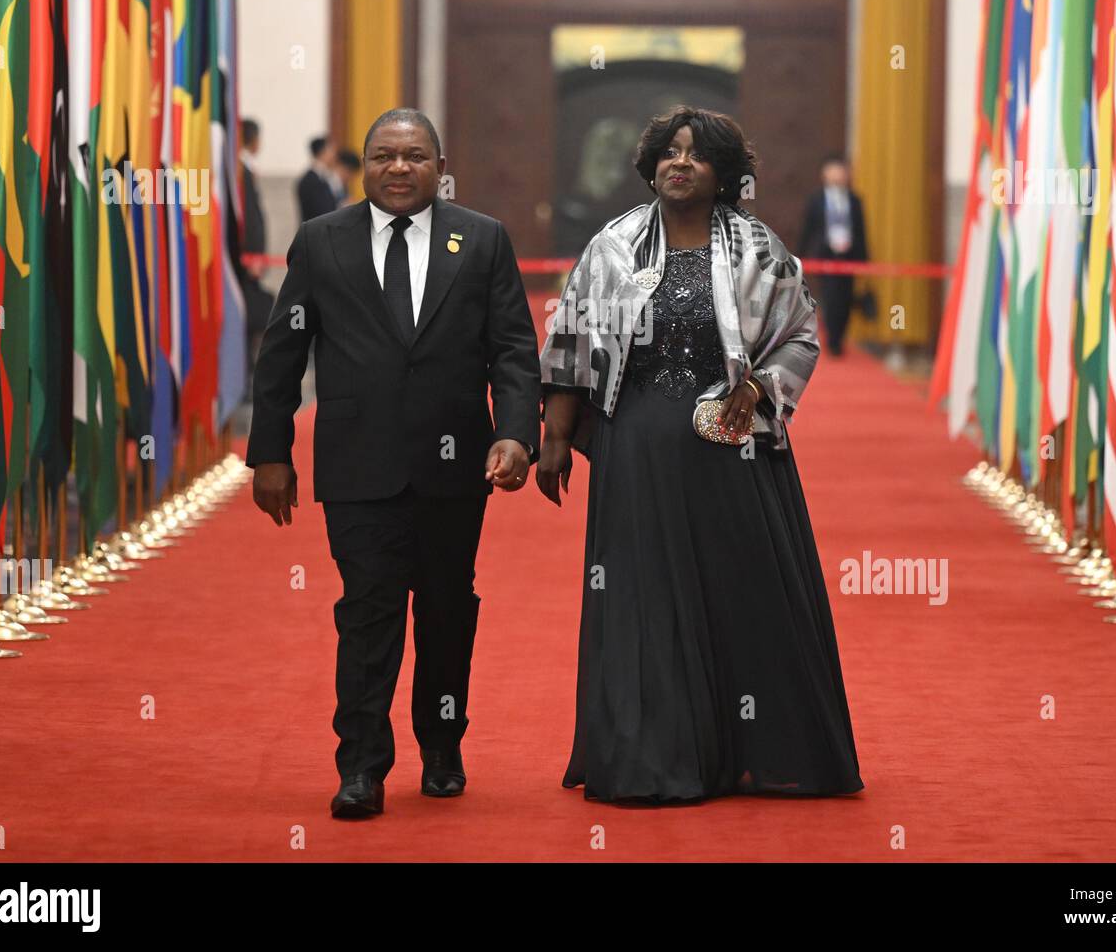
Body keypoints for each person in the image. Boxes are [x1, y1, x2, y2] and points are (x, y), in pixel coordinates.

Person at [537, 106, 863, 804]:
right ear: (651, 164)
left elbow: (801, 335)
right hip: (637, 449)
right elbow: (570, 341)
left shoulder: (758, 249)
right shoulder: (613, 247)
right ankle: (653, 758)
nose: (678, 163)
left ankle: (749, 749)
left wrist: (759, 389)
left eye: (696, 154)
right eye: (668, 152)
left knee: (742, 592)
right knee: (642, 597)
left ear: (724, 175)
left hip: (732, 446)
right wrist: (557, 438)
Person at [247, 108, 541, 820]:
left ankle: (442, 748)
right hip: (356, 467)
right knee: (367, 612)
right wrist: (270, 454)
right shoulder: (322, 242)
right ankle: (361, 768)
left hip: (456, 467)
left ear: (441, 168)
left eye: (414, 156)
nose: (398, 168)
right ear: (364, 165)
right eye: (384, 155)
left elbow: (513, 349)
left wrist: (517, 434)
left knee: (446, 611)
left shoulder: (484, 240)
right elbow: (282, 354)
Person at [797, 153, 869, 357]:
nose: (837, 175)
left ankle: (840, 335)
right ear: (824, 174)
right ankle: (833, 340)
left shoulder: (854, 200)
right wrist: (800, 256)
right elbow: (808, 229)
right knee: (831, 296)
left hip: (849, 255)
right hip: (825, 255)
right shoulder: (816, 200)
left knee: (846, 298)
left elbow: (862, 231)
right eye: (833, 170)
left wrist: (864, 259)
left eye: (841, 170)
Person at [239, 118, 274, 391]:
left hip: (251, 260)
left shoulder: (247, 170)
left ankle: (249, 375)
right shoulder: (239, 171)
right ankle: (244, 378)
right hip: (244, 263)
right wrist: (253, 255)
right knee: (247, 320)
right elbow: (249, 219)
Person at [296, 135, 342, 224]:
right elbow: (322, 211)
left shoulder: (326, 176)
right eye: (332, 151)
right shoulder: (311, 181)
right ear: (323, 152)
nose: (335, 155)